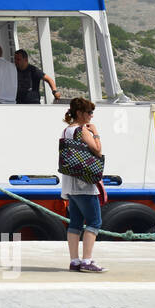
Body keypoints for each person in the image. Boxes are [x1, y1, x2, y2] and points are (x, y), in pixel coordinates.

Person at [62, 97, 106, 273]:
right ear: (80, 113)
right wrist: (95, 132)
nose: (91, 116)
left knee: (75, 223)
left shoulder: (66, 130)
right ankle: (87, 260)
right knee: (95, 221)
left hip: (70, 183)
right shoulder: (81, 130)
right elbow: (97, 149)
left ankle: (74, 260)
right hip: (84, 183)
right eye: (89, 113)